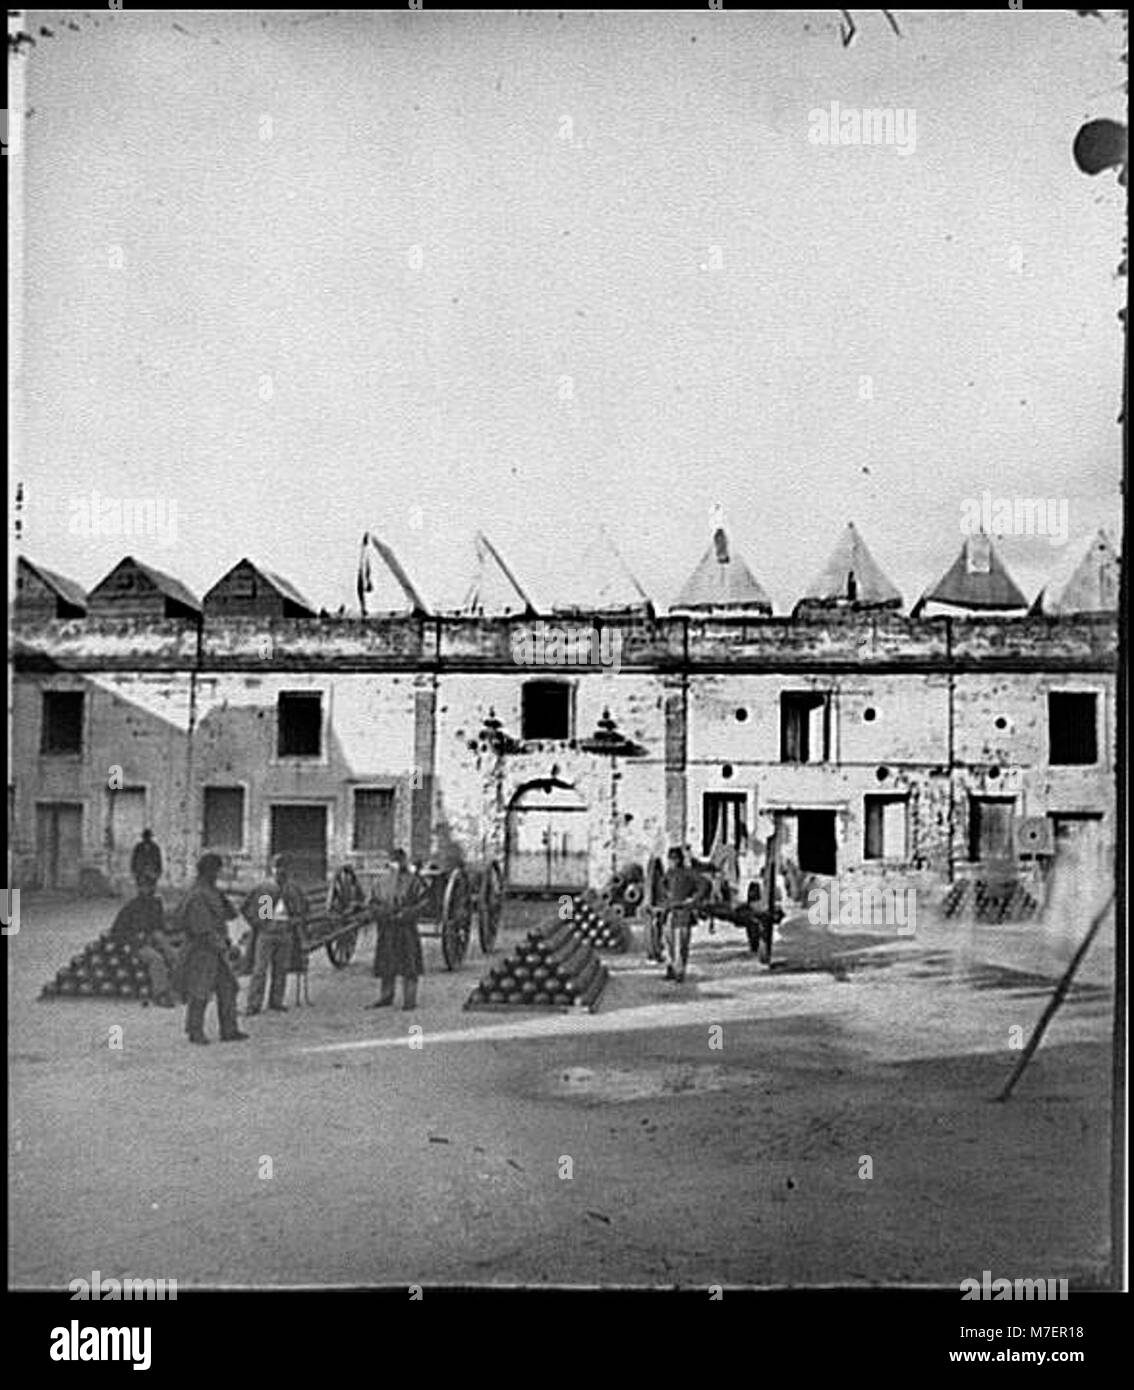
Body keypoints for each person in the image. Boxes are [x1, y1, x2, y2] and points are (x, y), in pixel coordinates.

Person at [179, 853, 249, 1045]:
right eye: (216, 870)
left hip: (216, 949)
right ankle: (195, 1031)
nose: (218, 874)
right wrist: (227, 947)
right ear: (208, 871)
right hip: (201, 950)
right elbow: (202, 930)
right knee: (200, 991)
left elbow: (229, 913)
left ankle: (229, 1029)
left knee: (228, 987)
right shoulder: (198, 895)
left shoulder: (212, 891)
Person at [241, 855, 309, 1015]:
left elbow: (303, 909)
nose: (280, 871)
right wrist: (258, 924)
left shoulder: (292, 889)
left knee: (281, 969)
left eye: (283, 868)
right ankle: (254, 1004)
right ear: (272, 870)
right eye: (277, 868)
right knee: (260, 970)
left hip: (285, 932)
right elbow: (247, 908)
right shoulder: (265, 888)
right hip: (267, 933)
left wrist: (295, 921)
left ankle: (276, 1001)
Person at [368, 849, 429, 1011]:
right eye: (394, 862)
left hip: (406, 930)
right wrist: (381, 912)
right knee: (386, 964)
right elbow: (373, 902)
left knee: (409, 965)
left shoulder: (414, 882)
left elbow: (424, 902)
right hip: (387, 929)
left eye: (399, 862)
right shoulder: (381, 882)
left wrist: (407, 914)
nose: (396, 866)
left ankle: (410, 999)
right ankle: (386, 996)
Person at [109, 879, 179, 1007]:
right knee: (156, 959)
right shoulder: (131, 907)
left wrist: (165, 943)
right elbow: (117, 932)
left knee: (175, 955)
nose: (148, 890)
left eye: (150, 886)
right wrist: (136, 939)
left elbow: (158, 927)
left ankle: (179, 990)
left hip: (153, 938)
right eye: (145, 887)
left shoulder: (156, 904)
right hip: (135, 943)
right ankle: (160, 994)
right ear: (139, 888)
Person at [661, 846, 709, 984]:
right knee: (669, 943)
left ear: (680, 860)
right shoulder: (668, 874)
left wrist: (694, 899)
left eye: (674, 859)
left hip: (684, 912)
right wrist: (665, 898)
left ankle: (680, 972)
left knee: (681, 945)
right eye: (670, 859)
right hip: (670, 912)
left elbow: (704, 884)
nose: (672, 862)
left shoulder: (688, 873)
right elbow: (661, 887)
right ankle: (671, 968)